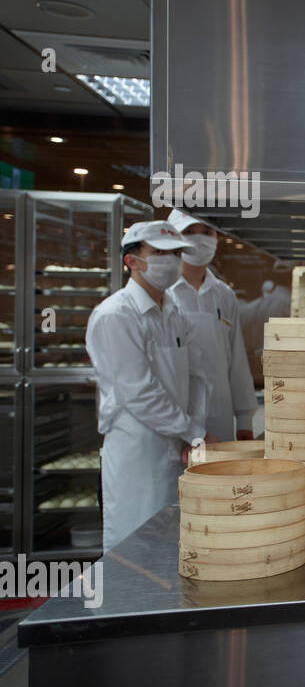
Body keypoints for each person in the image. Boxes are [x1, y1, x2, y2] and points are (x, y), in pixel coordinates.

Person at [86, 221, 214, 550]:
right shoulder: (116, 316)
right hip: (138, 452)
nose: (170, 261)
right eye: (159, 253)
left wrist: (194, 431)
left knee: (176, 545)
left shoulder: (175, 315)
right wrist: (191, 431)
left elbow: (199, 377)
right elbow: (137, 393)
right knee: (135, 547)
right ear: (132, 261)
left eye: (174, 253)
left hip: (180, 450)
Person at [166, 209, 257, 441]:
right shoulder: (163, 293)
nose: (199, 238)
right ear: (174, 237)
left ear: (217, 238)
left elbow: (237, 359)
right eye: (189, 232)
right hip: (176, 417)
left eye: (207, 232)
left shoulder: (224, 295)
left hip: (220, 415)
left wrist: (244, 418)